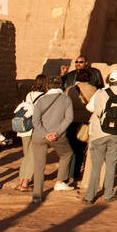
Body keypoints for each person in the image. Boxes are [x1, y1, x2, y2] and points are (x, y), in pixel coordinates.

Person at [82, 70, 117, 204]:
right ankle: (109, 194)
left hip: (99, 132)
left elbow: (92, 108)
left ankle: (89, 197)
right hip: (116, 133)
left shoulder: (100, 93)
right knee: (112, 164)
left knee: (96, 165)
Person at [29, 75, 74, 203]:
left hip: (39, 135)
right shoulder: (66, 99)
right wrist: (56, 133)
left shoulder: (41, 100)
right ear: (60, 85)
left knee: (39, 165)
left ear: (47, 86)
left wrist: (45, 134)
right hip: (57, 135)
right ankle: (60, 181)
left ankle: (37, 195)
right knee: (66, 154)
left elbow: (35, 120)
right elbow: (69, 118)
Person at [12, 76, 46, 191]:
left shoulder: (29, 94)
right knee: (33, 156)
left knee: (27, 155)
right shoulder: (45, 97)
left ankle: (21, 180)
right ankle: (25, 183)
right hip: (35, 128)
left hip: (24, 128)